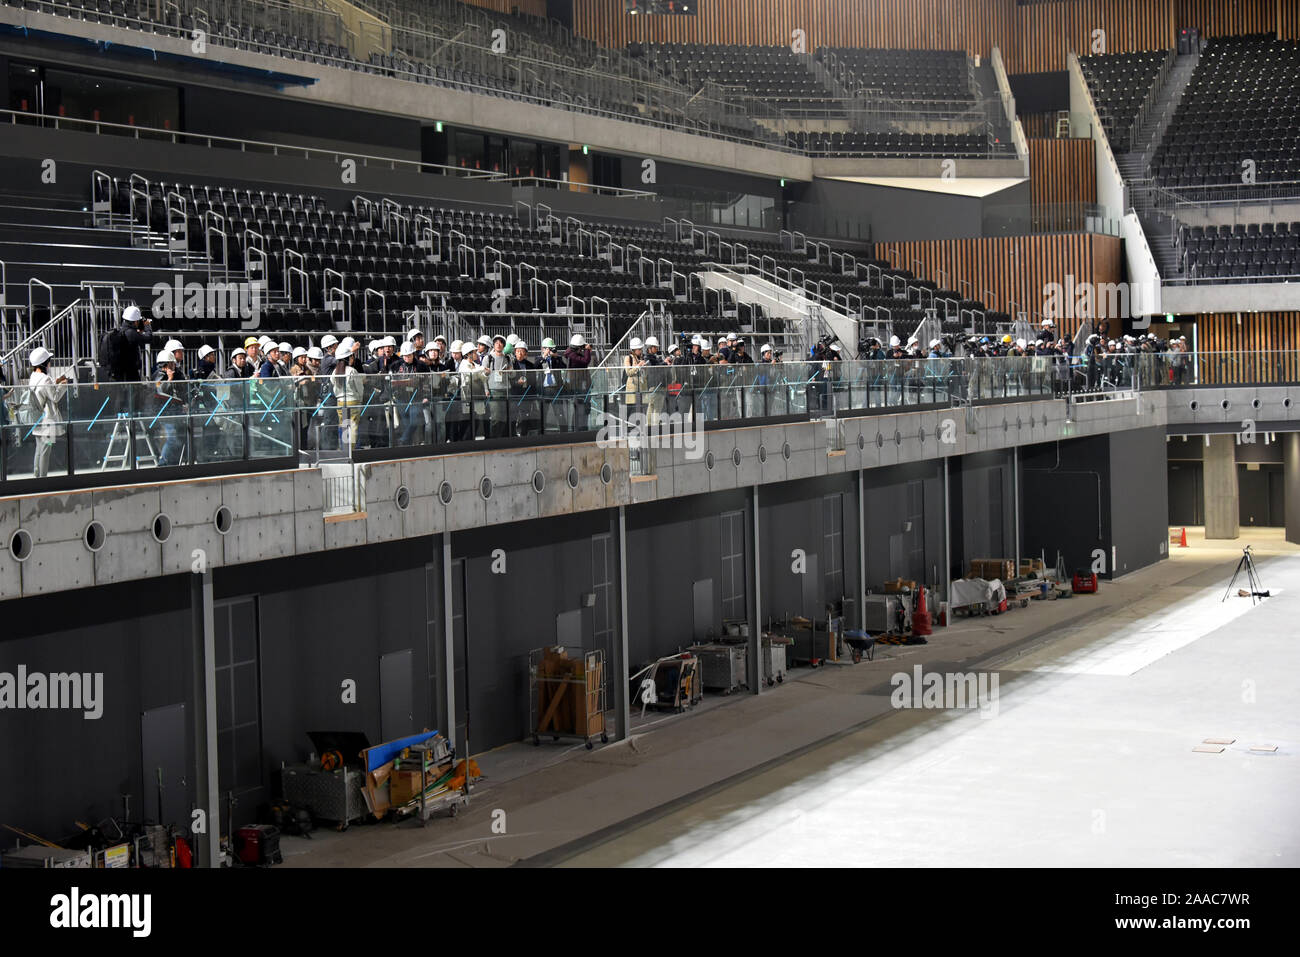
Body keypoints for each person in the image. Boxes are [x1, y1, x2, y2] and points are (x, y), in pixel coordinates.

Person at [27, 346, 68, 478]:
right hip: (48, 423)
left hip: (37, 419)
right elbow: (55, 397)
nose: (50, 364)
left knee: (39, 450)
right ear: (44, 363)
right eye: (48, 361)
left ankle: (37, 476)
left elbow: (45, 392)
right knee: (46, 451)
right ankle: (43, 479)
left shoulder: (33, 377)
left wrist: (54, 382)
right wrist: (64, 384)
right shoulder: (46, 379)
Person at [100, 304, 154, 383]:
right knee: (133, 394)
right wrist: (147, 326)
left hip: (119, 374)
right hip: (129, 373)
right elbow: (148, 338)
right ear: (135, 321)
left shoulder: (122, 331)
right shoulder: (131, 333)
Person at [152, 349, 185, 467]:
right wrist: (169, 379)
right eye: (172, 363)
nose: (174, 366)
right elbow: (161, 392)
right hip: (164, 413)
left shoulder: (171, 375)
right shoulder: (159, 376)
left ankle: (172, 462)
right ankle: (163, 463)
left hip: (172, 411)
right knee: (172, 438)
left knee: (177, 438)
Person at [564, 333, 594, 431]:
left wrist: (585, 350)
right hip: (578, 387)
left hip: (582, 386)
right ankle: (578, 430)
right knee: (580, 410)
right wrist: (587, 350)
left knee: (583, 410)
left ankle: (581, 428)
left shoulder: (573, 354)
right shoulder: (572, 355)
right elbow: (586, 361)